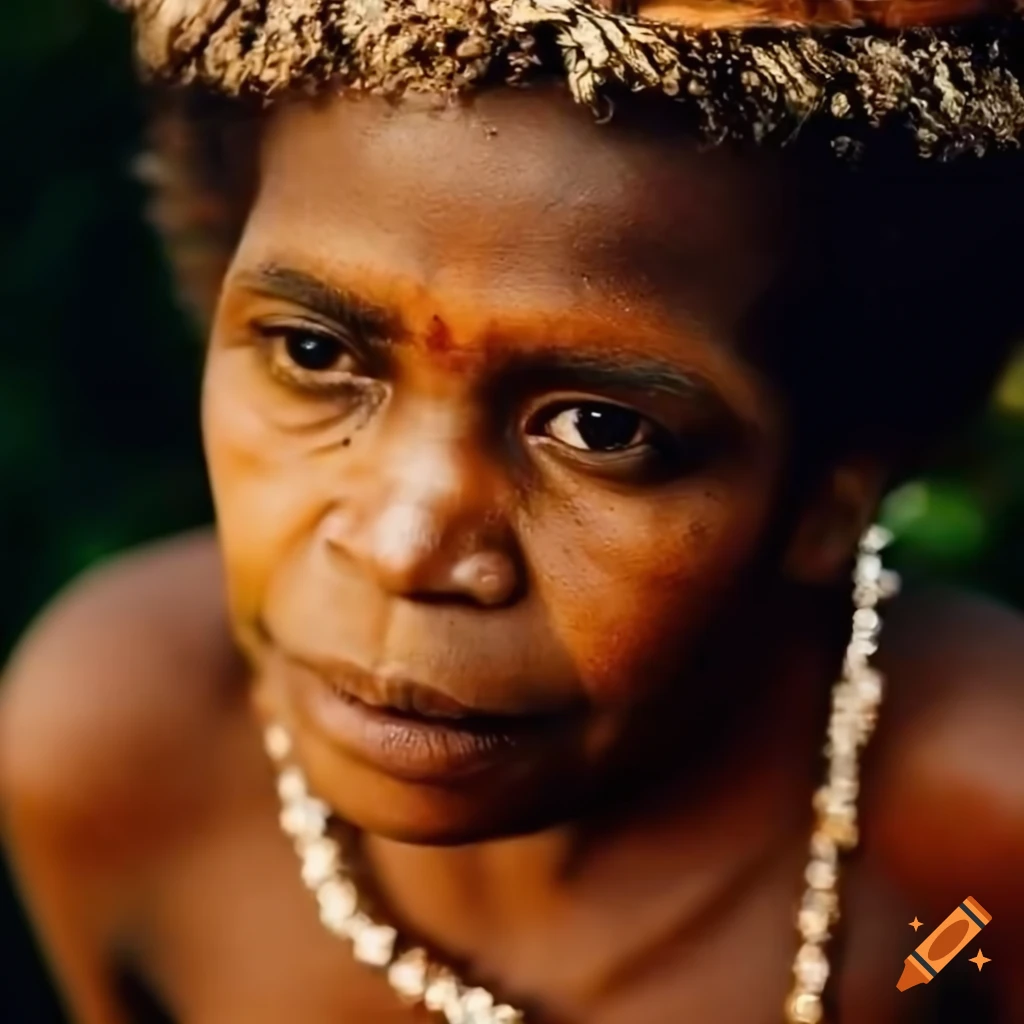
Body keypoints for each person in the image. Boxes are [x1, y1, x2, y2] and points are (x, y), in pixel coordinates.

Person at [2, 1, 1023, 1021]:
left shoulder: (968, 887)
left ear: (827, 499)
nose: (405, 548)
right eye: (313, 354)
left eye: (597, 428)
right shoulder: (122, 753)